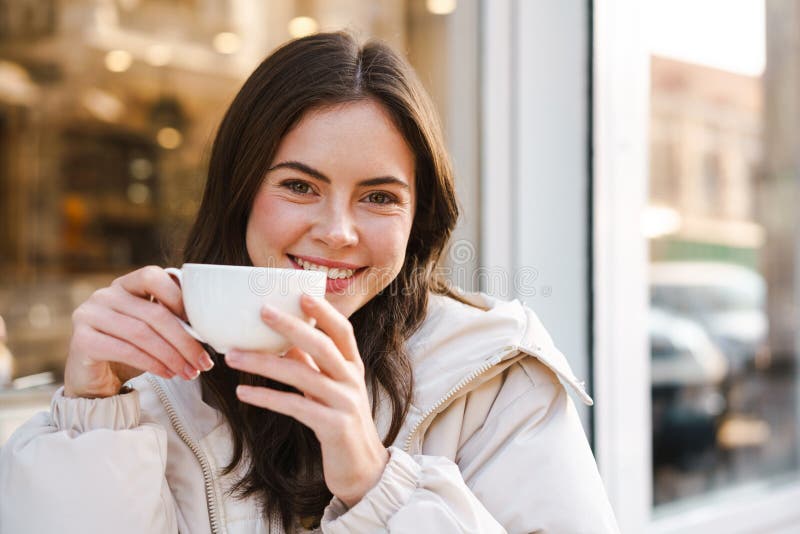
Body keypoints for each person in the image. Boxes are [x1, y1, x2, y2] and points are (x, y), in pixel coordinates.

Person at [0, 32, 620, 533]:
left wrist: (378, 485)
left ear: (419, 218)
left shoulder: (494, 377)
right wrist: (92, 415)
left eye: (379, 197)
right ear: (241, 194)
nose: (338, 232)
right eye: (300, 186)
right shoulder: (152, 380)